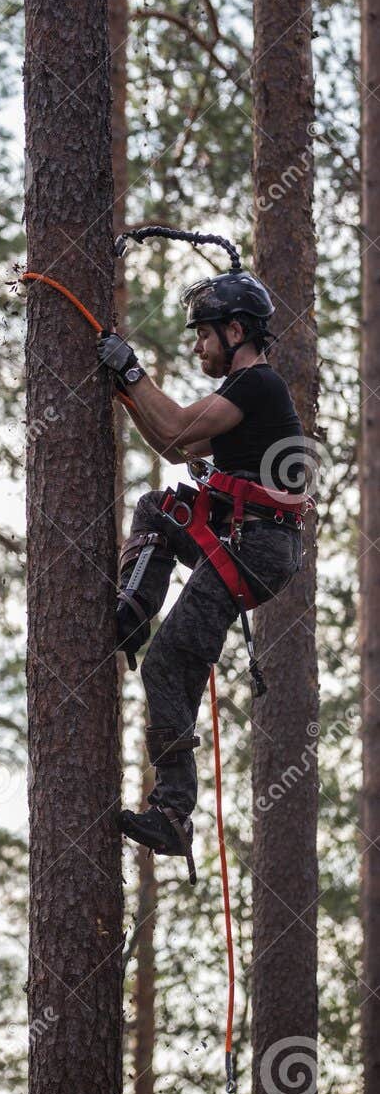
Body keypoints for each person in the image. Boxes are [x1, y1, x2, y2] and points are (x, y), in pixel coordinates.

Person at [96, 271, 308, 878]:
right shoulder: (248, 389)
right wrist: (126, 389)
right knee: (157, 508)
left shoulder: (257, 384)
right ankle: (131, 618)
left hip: (256, 549)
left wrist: (133, 374)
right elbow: (174, 448)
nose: (196, 347)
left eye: (204, 336)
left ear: (235, 330)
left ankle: (172, 812)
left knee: (170, 664)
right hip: (249, 541)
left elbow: (178, 428)